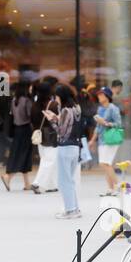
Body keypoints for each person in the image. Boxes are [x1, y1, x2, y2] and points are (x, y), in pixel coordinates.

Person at [47, 84, 84, 220]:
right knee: (70, 180)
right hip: (75, 147)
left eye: (57, 96)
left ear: (61, 96)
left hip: (65, 148)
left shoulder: (65, 111)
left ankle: (70, 210)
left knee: (63, 181)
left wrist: (52, 120)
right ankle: (75, 208)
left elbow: (61, 132)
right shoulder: (76, 109)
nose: (56, 99)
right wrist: (57, 119)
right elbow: (70, 126)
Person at [1, 84, 34, 191]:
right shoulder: (26, 101)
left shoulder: (14, 100)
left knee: (17, 153)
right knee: (24, 155)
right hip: (26, 130)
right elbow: (30, 115)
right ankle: (8, 177)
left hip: (17, 130)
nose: (30, 88)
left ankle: (27, 183)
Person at [94, 88, 124, 193]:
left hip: (111, 139)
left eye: (101, 95)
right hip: (102, 139)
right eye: (99, 95)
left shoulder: (113, 108)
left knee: (104, 163)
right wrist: (93, 140)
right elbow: (97, 127)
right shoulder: (100, 109)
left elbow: (119, 124)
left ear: (107, 96)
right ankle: (111, 188)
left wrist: (105, 123)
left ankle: (118, 186)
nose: (99, 97)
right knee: (106, 164)